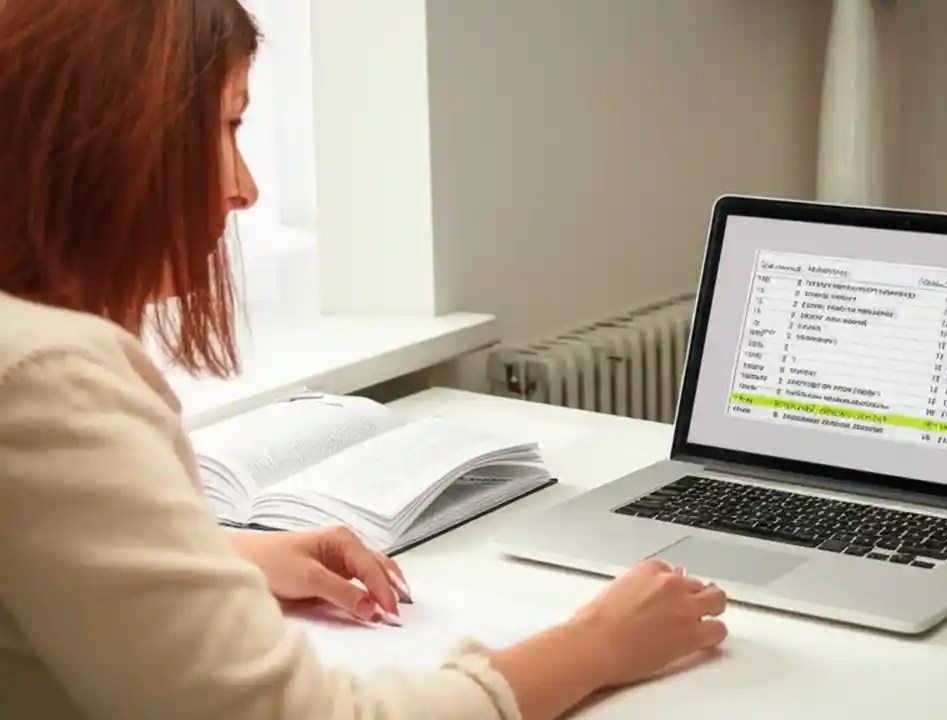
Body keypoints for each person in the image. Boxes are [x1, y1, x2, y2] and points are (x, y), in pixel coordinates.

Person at [0, 1, 728, 718]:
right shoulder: (48, 378)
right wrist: (593, 646)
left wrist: (225, 558)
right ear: (108, 135)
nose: (244, 189)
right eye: (225, 126)